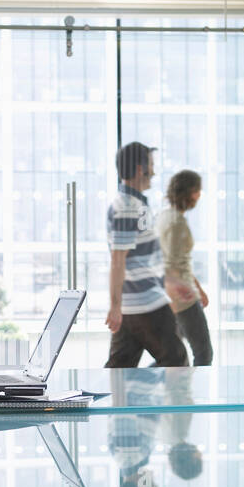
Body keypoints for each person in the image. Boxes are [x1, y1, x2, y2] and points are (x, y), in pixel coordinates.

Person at [104, 141, 190, 368]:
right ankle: (144, 397)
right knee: (177, 363)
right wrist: (114, 306)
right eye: (151, 165)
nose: (154, 171)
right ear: (141, 169)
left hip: (133, 305)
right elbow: (118, 260)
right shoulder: (127, 207)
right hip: (146, 304)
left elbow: (140, 260)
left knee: (119, 372)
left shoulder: (134, 204)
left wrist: (170, 282)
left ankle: (129, 398)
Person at [158, 169, 213, 366]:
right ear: (188, 192)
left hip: (175, 294)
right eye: (197, 190)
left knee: (173, 355)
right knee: (203, 352)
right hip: (182, 297)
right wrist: (190, 291)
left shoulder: (165, 217)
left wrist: (199, 289)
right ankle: (136, 383)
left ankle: (136, 384)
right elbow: (172, 264)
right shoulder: (176, 222)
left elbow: (179, 262)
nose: (199, 195)